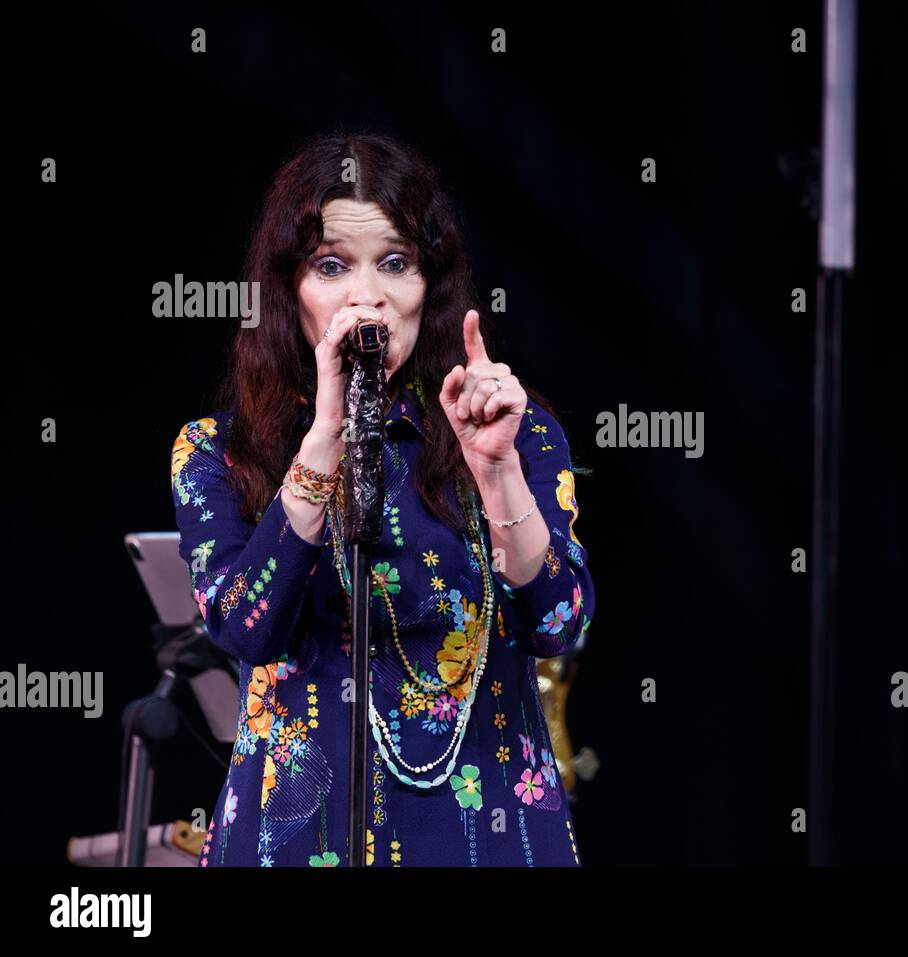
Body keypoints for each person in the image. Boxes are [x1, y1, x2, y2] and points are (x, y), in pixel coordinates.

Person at [170, 133, 593, 866]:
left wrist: (497, 473)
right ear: (289, 290)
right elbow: (242, 629)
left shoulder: (514, 432)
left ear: (430, 283)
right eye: (332, 265)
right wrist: (326, 435)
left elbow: (560, 621)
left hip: (484, 829)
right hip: (300, 832)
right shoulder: (218, 451)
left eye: (395, 263)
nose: (367, 295)